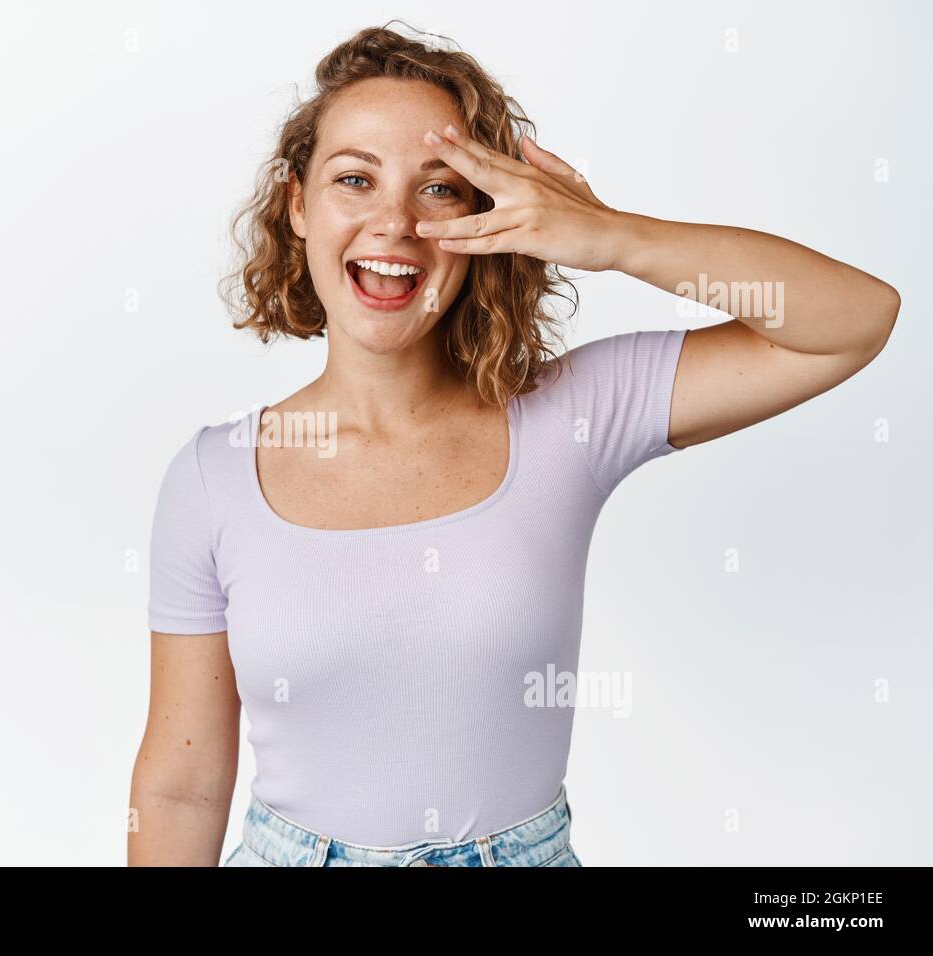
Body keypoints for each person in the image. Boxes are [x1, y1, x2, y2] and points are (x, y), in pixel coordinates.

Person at [127, 24, 899, 867]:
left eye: (439, 189)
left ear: (487, 218)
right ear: (298, 205)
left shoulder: (573, 416)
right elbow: (180, 788)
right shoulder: (214, 477)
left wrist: (612, 236)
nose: (394, 223)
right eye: (355, 179)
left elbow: (852, 321)